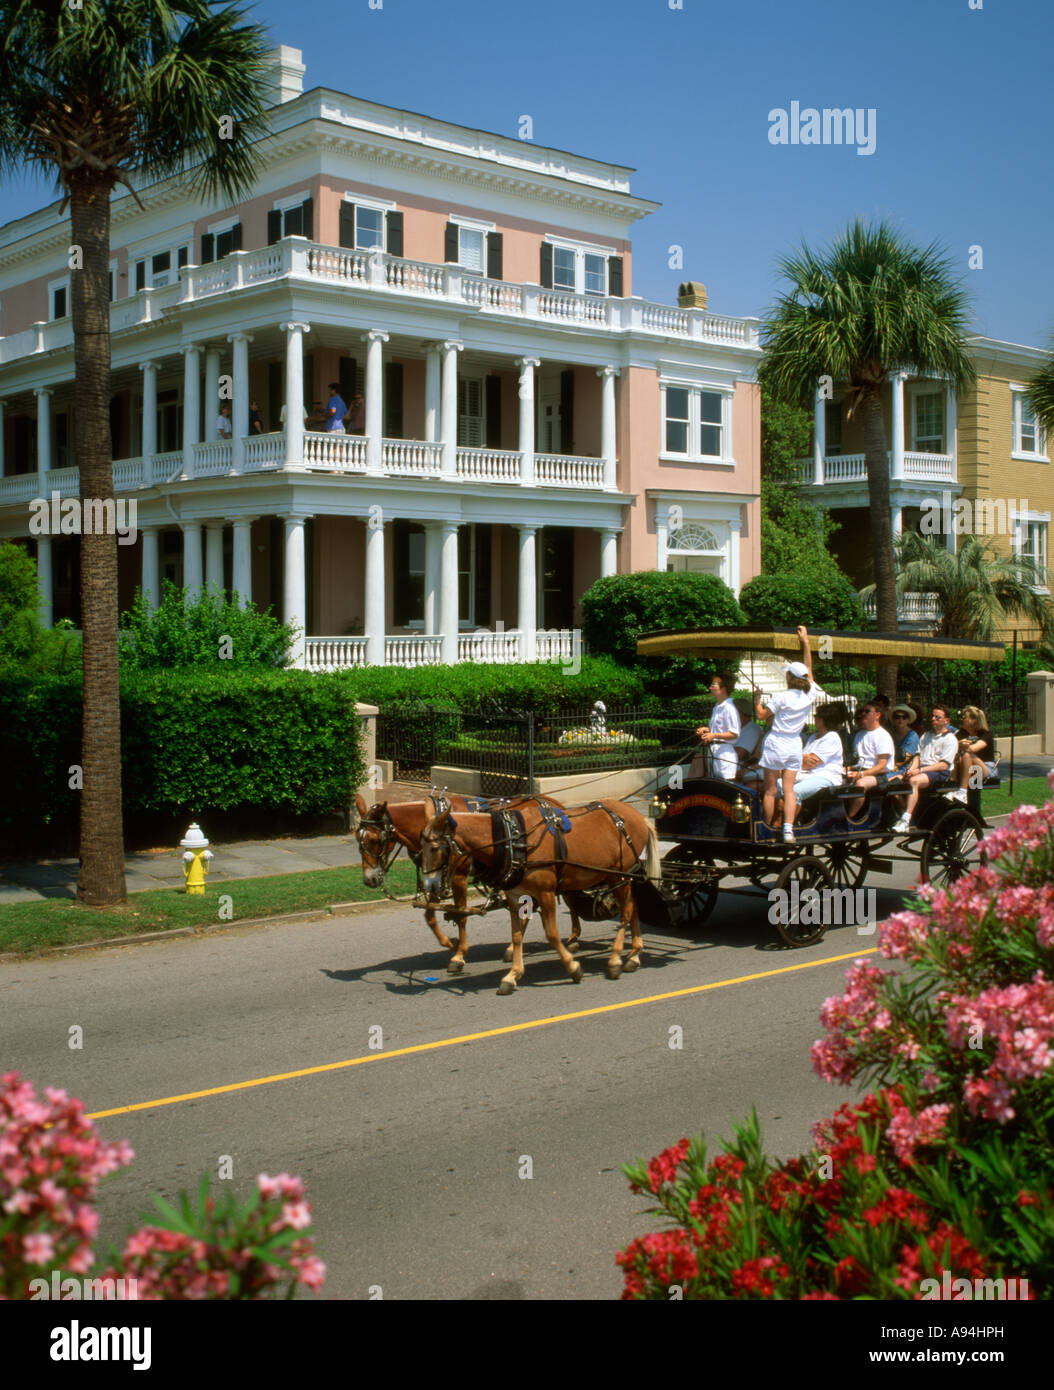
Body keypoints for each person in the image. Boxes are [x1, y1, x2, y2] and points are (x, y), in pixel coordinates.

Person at [756, 624, 824, 842]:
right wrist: (805, 642)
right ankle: (787, 829)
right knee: (789, 790)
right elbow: (809, 669)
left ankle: (767, 828)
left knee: (769, 791)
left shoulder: (781, 697)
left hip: (776, 742)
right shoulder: (809, 694)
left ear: (789, 678)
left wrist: (756, 698)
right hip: (795, 744)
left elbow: (760, 716)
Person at [892, 704, 961, 833]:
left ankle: (906, 819)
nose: (933, 719)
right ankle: (906, 815)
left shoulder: (950, 739)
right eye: (933, 716)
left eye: (937, 717)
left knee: (914, 781)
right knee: (895, 783)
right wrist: (910, 769)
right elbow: (917, 756)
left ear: (946, 721)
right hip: (923, 770)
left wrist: (920, 771)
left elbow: (944, 765)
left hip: (938, 772)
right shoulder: (926, 736)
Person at [781, 703, 846, 825]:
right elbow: (803, 761)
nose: (814, 719)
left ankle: (789, 826)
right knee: (777, 785)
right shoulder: (813, 737)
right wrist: (802, 758)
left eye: (816, 716)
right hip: (806, 775)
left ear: (823, 720)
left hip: (825, 777)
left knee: (794, 792)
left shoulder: (832, 737)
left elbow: (810, 763)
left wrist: (800, 759)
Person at [845, 702, 896, 819]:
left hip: (879, 775)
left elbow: (882, 766)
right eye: (862, 711)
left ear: (877, 715)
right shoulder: (860, 735)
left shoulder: (883, 736)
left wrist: (861, 774)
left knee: (860, 784)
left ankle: (850, 818)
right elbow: (857, 761)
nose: (863, 714)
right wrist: (848, 769)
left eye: (867, 711)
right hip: (860, 770)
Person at [694, 673, 741, 780]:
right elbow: (720, 729)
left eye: (713, 685)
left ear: (723, 689)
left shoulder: (729, 708)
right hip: (714, 751)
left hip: (725, 754)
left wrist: (713, 735)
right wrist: (706, 730)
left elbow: (734, 733)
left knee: (725, 788)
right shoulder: (717, 707)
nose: (710, 688)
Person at [949, 705, 997, 802]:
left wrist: (958, 745)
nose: (961, 719)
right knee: (957, 755)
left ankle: (963, 791)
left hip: (985, 768)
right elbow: (950, 747)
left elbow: (972, 749)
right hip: (967, 767)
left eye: (964, 717)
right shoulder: (961, 733)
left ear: (973, 720)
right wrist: (958, 744)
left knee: (967, 754)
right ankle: (952, 786)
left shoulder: (985, 734)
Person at [888, 704, 921, 782]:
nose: (901, 719)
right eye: (897, 717)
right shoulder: (889, 733)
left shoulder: (912, 736)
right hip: (888, 767)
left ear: (908, 719)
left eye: (904, 717)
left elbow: (902, 761)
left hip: (903, 770)